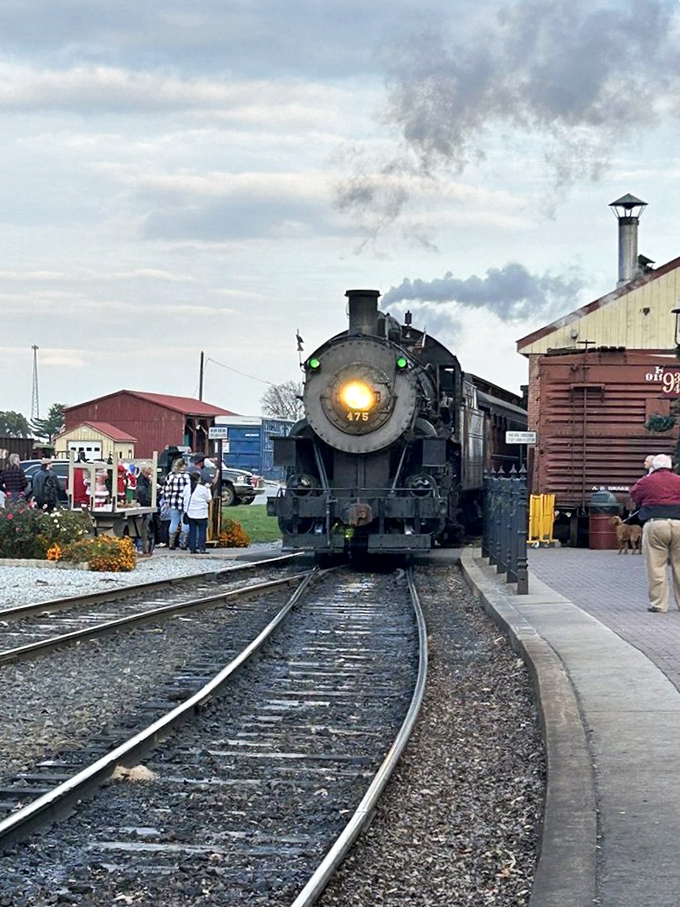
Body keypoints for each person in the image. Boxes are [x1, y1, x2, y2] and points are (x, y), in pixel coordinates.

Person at [629, 453, 680, 612]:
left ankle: (659, 605)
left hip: (655, 524)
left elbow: (635, 496)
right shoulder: (678, 480)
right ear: (671, 466)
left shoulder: (646, 481)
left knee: (656, 566)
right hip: (679, 524)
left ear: (654, 466)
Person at [163, 457, 190, 550]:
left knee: (174, 522)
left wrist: (166, 501)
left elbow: (166, 490)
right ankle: (183, 543)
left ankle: (171, 543)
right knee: (185, 522)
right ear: (183, 466)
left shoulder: (170, 476)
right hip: (185, 502)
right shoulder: (187, 476)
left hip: (173, 501)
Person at [182, 470, 212, 554]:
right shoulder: (202, 488)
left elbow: (184, 498)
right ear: (198, 479)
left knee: (192, 531)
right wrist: (208, 489)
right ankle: (202, 547)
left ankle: (192, 548)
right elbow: (208, 499)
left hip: (190, 512)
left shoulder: (186, 487)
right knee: (202, 531)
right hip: (201, 513)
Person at [135, 465, 154, 556]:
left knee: (142, 527)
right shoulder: (142, 481)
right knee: (143, 528)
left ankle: (141, 547)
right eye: (147, 473)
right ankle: (141, 547)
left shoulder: (142, 480)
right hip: (145, 504)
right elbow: (142, 493)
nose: (148, 475)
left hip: (145, 504)